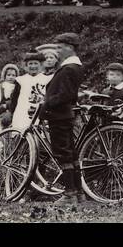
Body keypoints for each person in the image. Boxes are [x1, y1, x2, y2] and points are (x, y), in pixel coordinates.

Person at [38, 32, 85, 200]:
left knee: (62, 153)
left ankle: (69, 193)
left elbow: (65, 95)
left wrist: (47, 103)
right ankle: (79, 192)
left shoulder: (68, 68)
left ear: (70, 48)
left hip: (59, 115)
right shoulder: (73, 67)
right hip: (66, 114)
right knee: (71, 153)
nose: (56, 51)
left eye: (59, 47)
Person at [7, 51, 51, 131]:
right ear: (26, 66)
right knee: (22, 134)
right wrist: (12, 113)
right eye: (30, 64)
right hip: (22, 112)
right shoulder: (21, 80)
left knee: (40, 135)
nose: (33, 66)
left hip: (40, 113)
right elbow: (14, 99)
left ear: (41, 65)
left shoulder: (46, 79)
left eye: (35, 63)